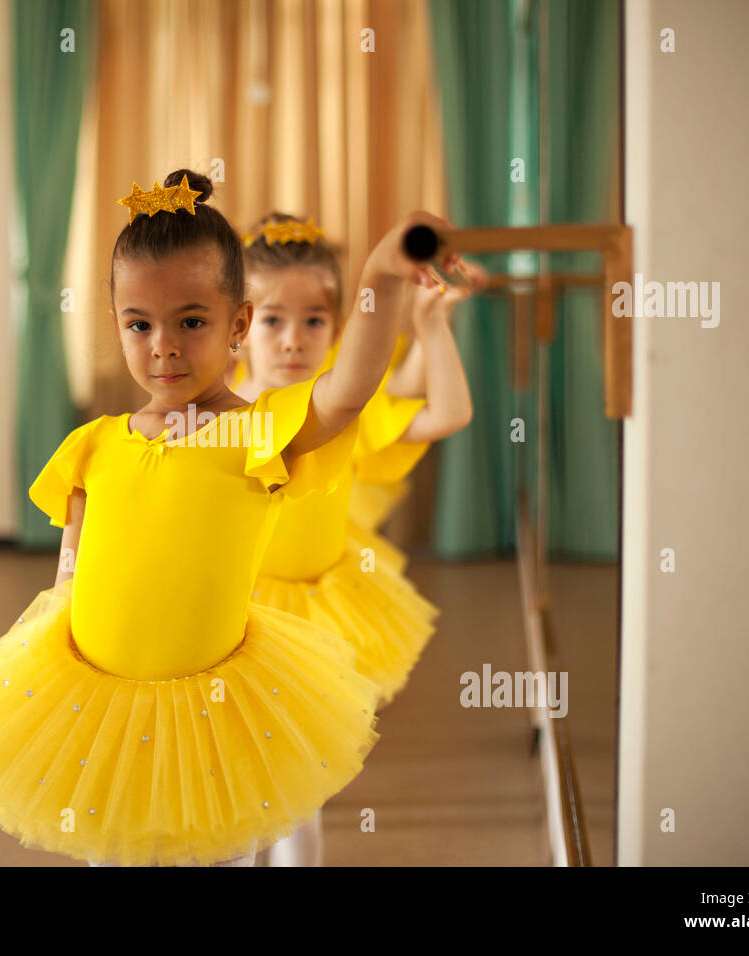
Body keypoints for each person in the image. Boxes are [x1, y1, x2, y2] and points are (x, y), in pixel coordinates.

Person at [0, 171, 455, 866]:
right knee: (110, 845)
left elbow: (349, 393)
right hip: (97, 705)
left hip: (212, 714)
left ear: (237, 324)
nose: (163, 346)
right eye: (139, 324)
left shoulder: (256, 435)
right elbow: (68, 578)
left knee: (221, 847)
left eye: (192, 322)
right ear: (116, 323)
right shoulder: (94, 445)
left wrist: (383, 274)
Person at [231, 212, 479, 865]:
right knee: (233, 778)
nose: (292, 341)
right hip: (234, 616)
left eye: (314, 321)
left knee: (297, 783)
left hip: (316, 617)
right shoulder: (220, 412)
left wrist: (430, 327)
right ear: (240, 325)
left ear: (338, 329)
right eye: (272, 320)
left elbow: (449, 412)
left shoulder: (338, 410)